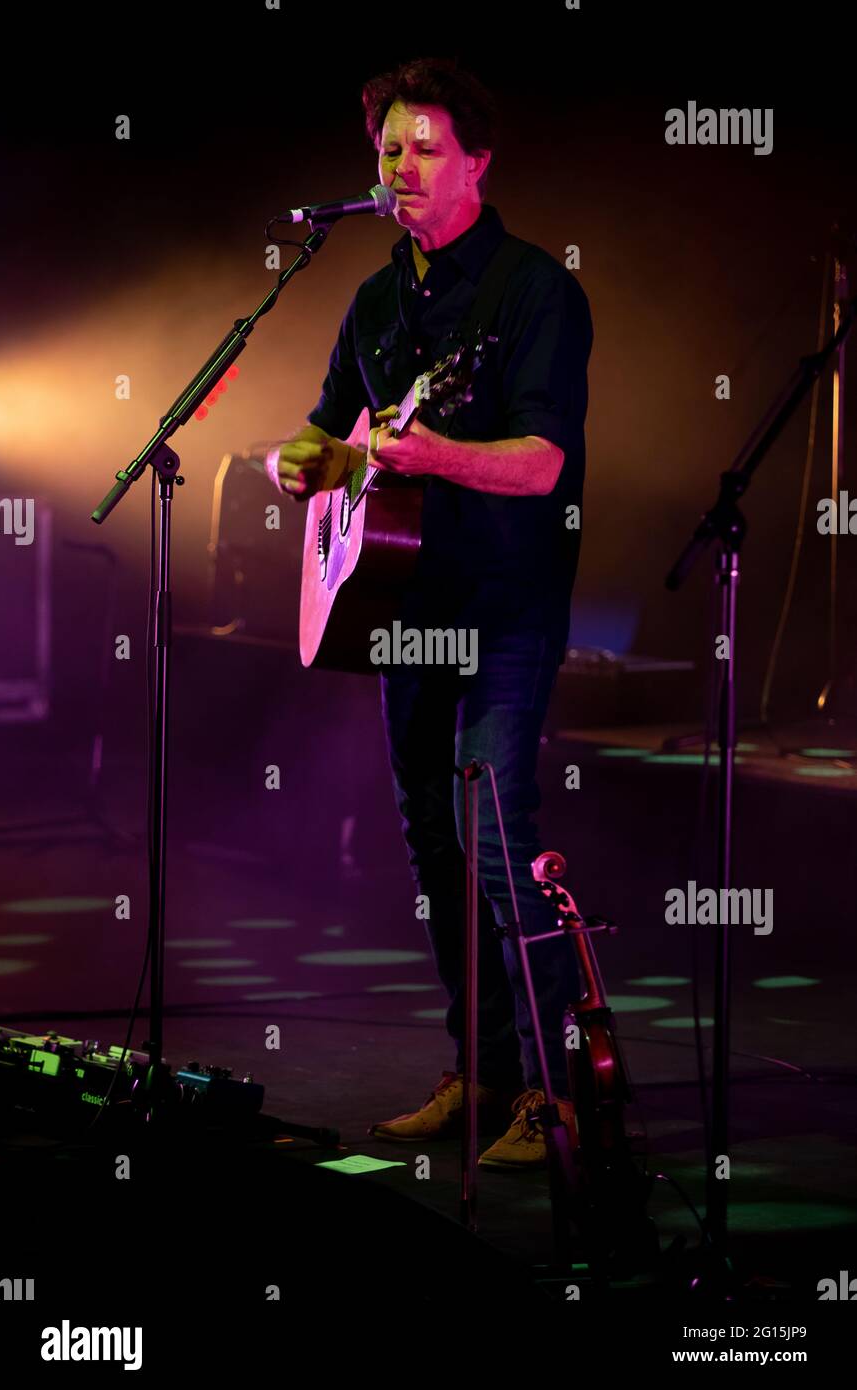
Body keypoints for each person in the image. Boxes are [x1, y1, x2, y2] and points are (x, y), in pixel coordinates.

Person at [250, 57, 593, 1169]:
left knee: (497, 839)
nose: (401, 165)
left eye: (425, 146)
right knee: (433, 843)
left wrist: (436, 452)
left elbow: (542, 464)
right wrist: (291, 466)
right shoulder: (373, 298)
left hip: (505, 598)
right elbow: (322, 430)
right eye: (388, 147)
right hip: (399, 600)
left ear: (477, 162)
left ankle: (555, 1093)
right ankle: (480, 1067)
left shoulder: (533, 292)